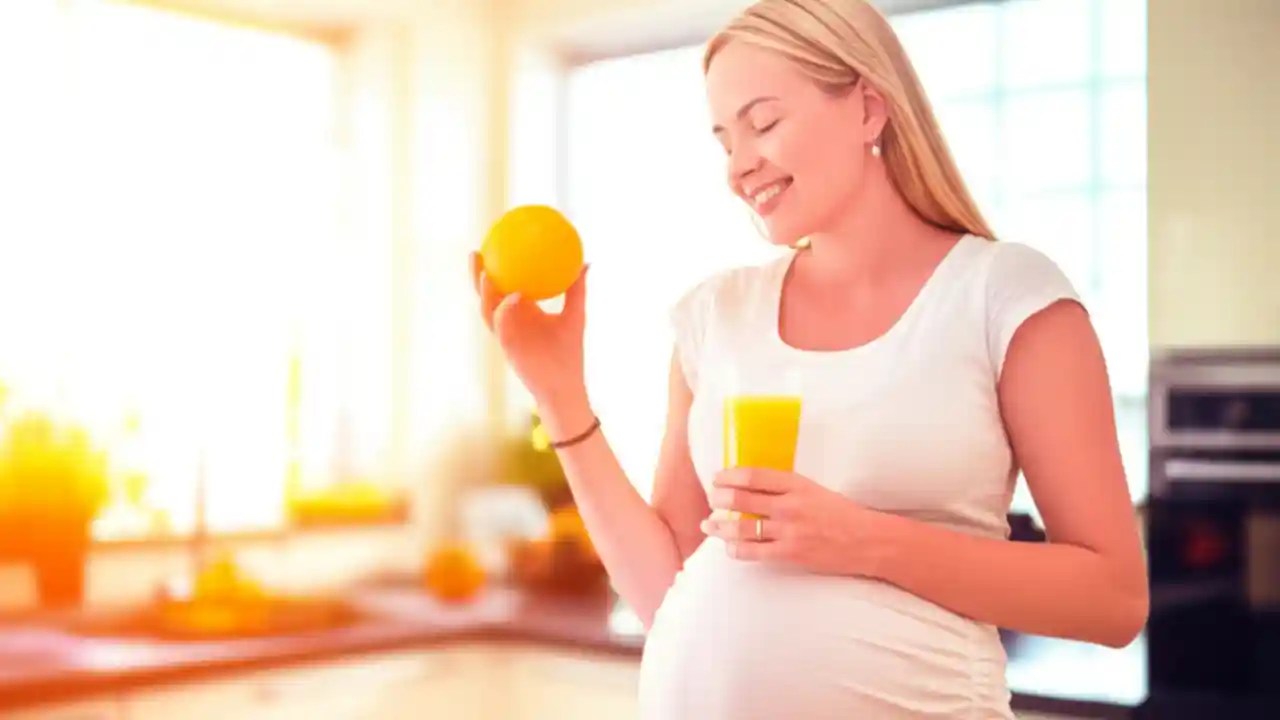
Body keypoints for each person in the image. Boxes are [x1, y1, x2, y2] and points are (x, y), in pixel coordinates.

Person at [469, 0, 1149, 717]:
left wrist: (862, 539)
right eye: (724, 141)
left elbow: (1112, 600)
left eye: (763, 124)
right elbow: (662, 591)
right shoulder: (716, 317)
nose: (739, 167)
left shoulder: (1002, 297)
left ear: (868, 109)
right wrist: (560, 396)